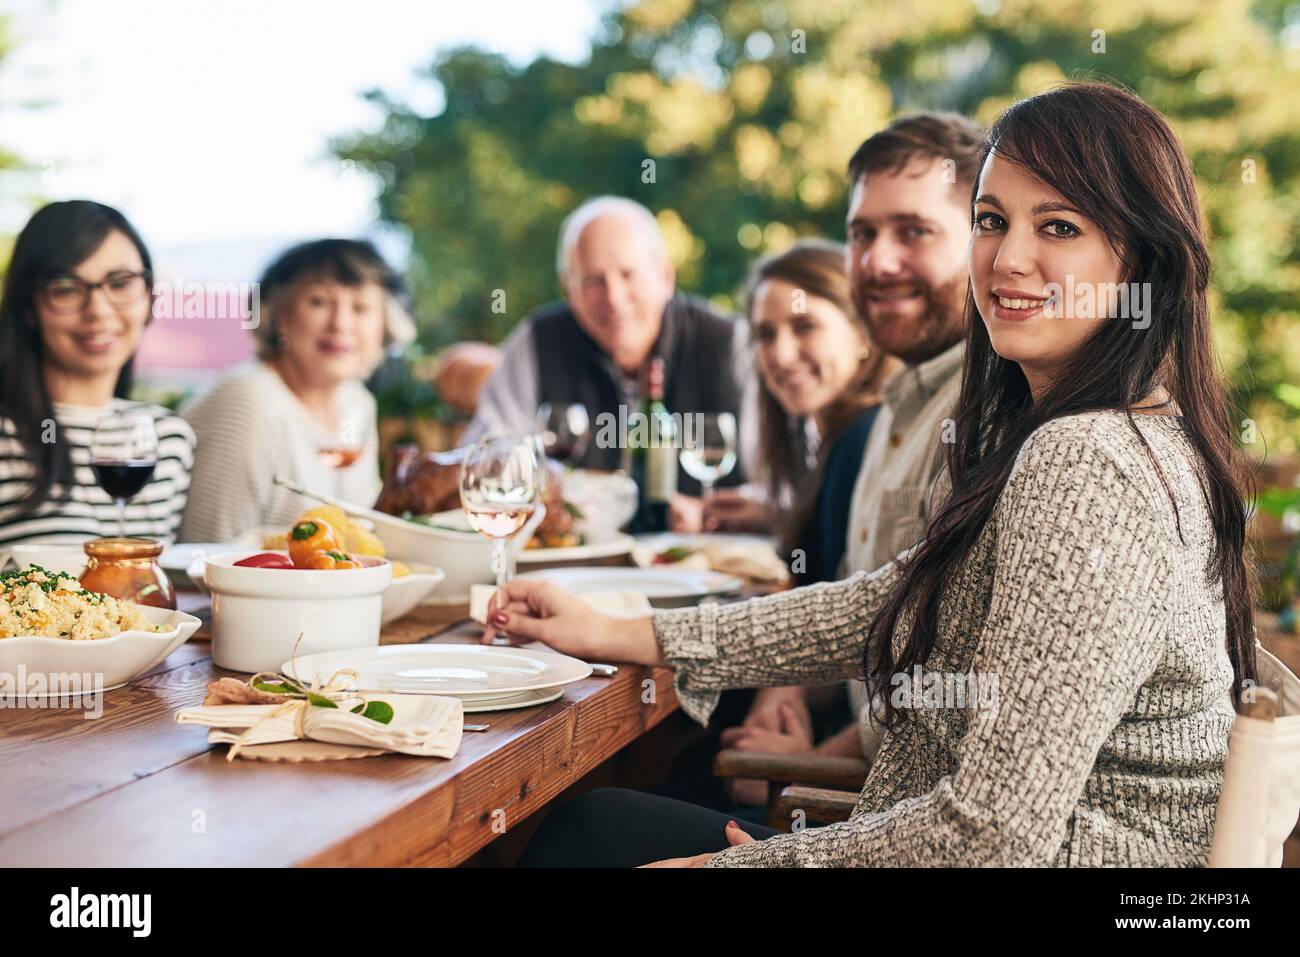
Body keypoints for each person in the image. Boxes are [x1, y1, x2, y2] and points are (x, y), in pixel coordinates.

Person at [487, 82, 1255, 867]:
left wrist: (737, 867)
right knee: (596, 826)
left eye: (1058, 226)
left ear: (1144, 263)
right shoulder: (1115, 429)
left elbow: (991, 836)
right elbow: (887, 602)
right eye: (991, 221)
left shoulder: (1088, 462)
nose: (1008, 257)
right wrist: (618, 632)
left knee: (587, 836)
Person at [724, 112, 983, 777]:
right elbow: (858, 615)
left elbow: (953, 700)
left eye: (914, 231)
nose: (878, 259)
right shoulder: (896, 414)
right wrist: (781, 688)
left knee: (585, 825)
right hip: (845, 783)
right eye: (862, 233)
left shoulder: (989, 421)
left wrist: (805, 766)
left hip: (869, 809)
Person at [462, 196, 752, 514]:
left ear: (665, 278)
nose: (613, 298)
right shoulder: (534, 341)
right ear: (567, 289)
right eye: (592, 281)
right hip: (570, 559)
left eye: (628, 274)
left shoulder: (731, 343)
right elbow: (486, 464)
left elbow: (778, 484)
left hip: (708, 556)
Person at [180, 239, 414, 542]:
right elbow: (209, 556)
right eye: (319, 302)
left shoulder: (357, 402)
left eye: (361, 307)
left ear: (386, 325)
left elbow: (359, 538)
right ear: (279, 315)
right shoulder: (248, 400)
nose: (340, 324)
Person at [0, 200, 195, 548]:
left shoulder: (167, 438)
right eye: (67, 289)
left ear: (149, 296)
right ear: (29, 308)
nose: (99, 311)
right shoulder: (7, 435)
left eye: (120, 283)